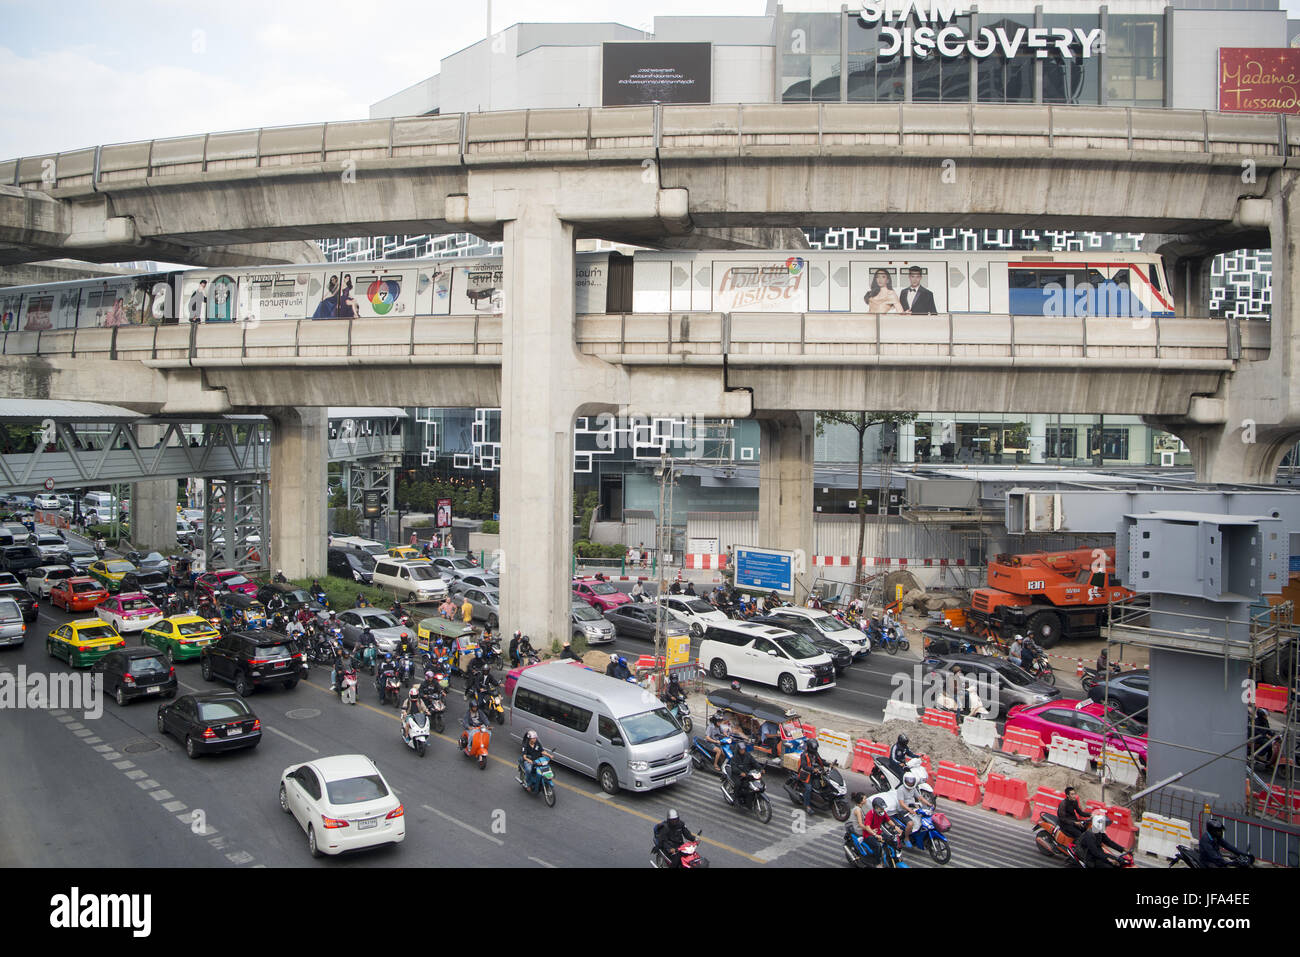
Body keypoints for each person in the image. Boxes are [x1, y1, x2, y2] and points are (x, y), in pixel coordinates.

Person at [798, 740, 827, 813]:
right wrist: (813, 769)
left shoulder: (815, 754)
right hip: (805, 775)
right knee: (808, 788)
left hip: (815, 773)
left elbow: (821, 761)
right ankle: (807, 806)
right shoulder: (804, 755)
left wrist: (829, 764)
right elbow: (804, 766)